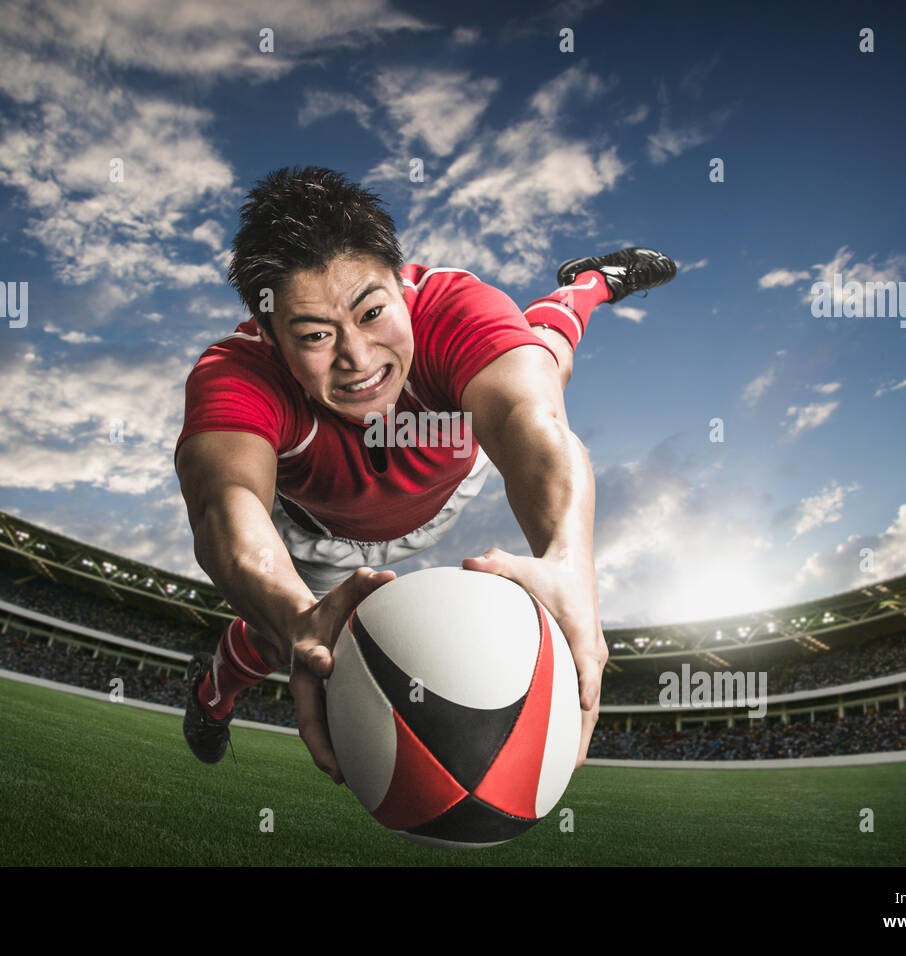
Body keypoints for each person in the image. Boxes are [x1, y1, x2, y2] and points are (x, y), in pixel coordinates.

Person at [174, 166, 676, 783]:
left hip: (449, 481)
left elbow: (532, 419)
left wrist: (569, 560)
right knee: (283, 634)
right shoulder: (236, 372)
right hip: (326, 533)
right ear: (271, 338)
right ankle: (211, 696)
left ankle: (588, 285)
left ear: (399, 284)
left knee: (541, 365)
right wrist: (294, 614)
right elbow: (225, 504)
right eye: (314, 335)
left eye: (372, 312)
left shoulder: (452, 305)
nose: (357, 358)